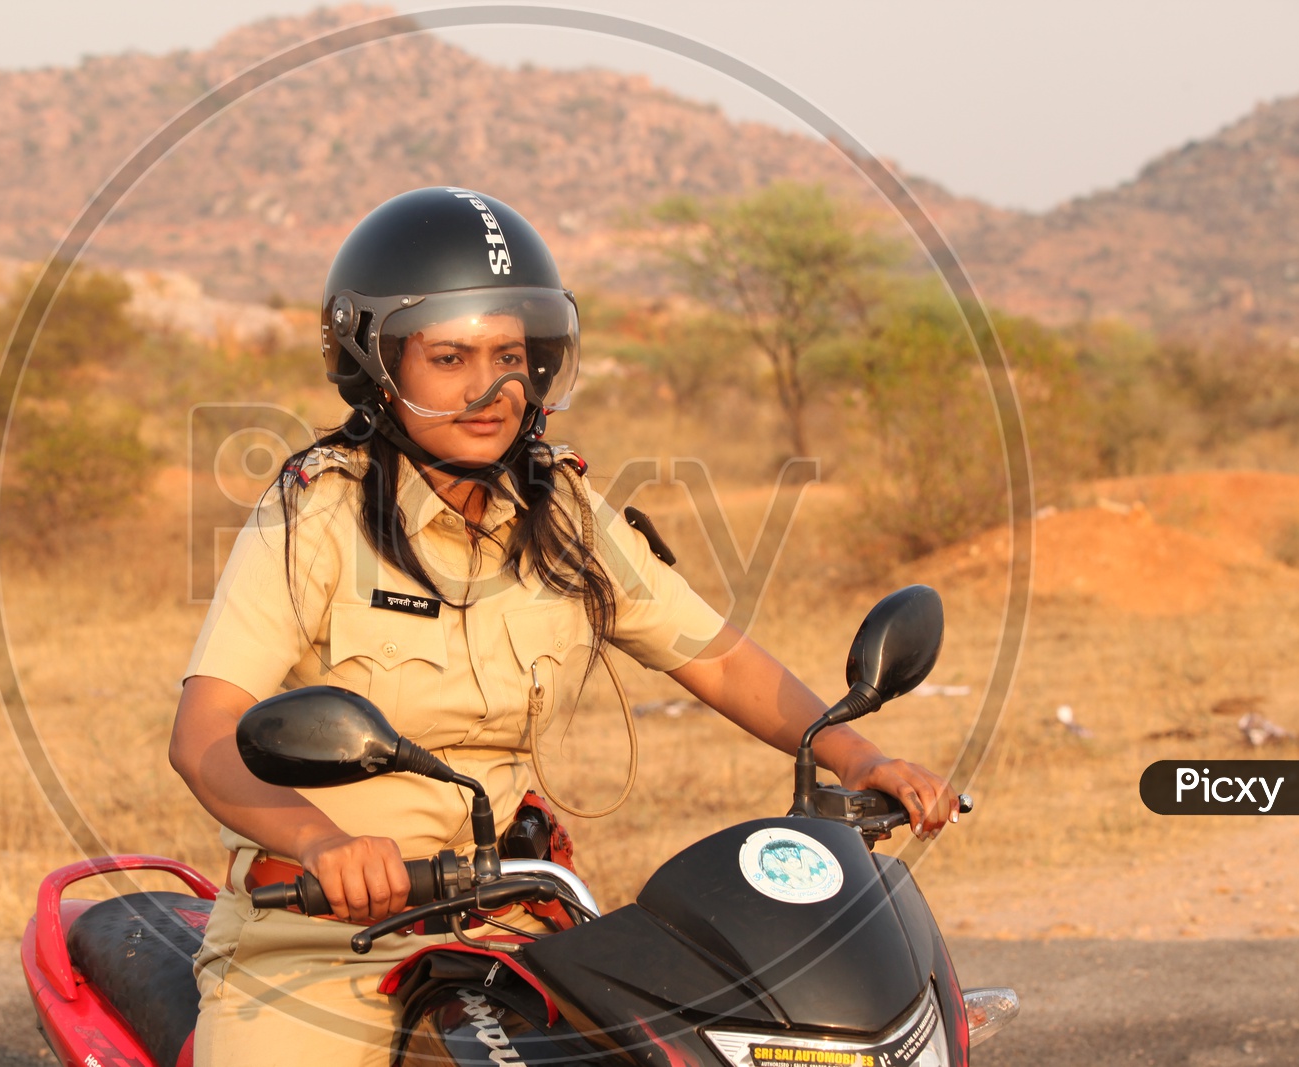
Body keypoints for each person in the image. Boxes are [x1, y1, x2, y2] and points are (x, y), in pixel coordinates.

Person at [168, 186, 957, 1067]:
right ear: (377, 363)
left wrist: (858, 756)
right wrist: (326, 843)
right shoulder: (316, 513)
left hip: (507, 918)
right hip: (318, 935)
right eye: (450, 357)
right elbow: (204, 734)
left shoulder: (562, 508)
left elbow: (717, 657)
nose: (491, 387)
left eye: (512, 353)